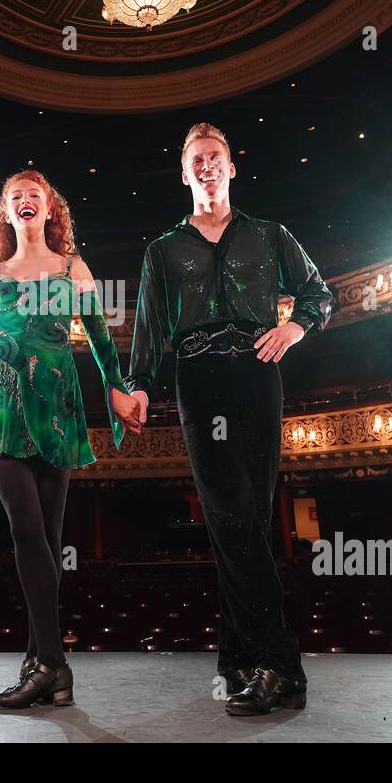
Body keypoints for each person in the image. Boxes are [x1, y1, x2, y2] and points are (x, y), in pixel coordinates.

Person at [124, 122, 333, 716]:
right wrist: (137, 384)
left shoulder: (270, 235)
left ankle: (238, 659)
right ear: (185, 174)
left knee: (249, 522)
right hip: (200, 380)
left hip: (257, 375)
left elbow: (319, 294)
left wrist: (294, 327)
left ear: (231, 168)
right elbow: (149, 326)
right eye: (198, 160)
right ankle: (279, 664)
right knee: (230, 517)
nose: (208, 166)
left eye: (217, 157)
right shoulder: (162, 250)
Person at [0, 169, 141, 710]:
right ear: (6, 214)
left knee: (50, 539)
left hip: (57, 407)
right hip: (1, 404)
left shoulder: (72, 267)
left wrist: (118, 389)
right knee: (26, 530)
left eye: (34, 194)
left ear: (50, 209)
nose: (25, 201)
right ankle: (52, 664)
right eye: (15, 196)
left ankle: (44, 667)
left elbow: (102, 338)